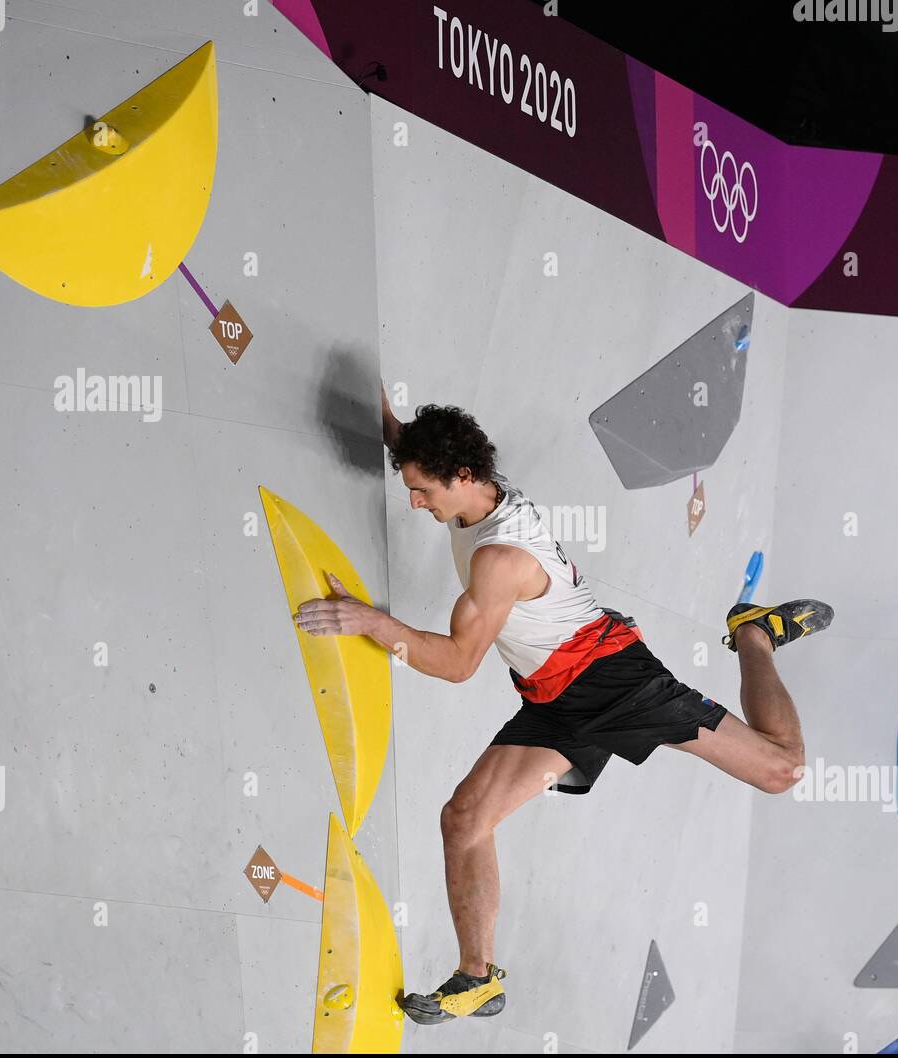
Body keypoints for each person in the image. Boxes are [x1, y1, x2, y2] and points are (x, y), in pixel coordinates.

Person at [293, 387, 833, 1025]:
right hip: (554, 698)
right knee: (464, 819)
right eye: (411, 486)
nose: (414, 502)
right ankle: (478, 980)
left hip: (618, 684)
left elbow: (460, 664)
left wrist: (370, 623)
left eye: (422, 492)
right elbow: (416, 449)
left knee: (782, 771)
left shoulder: (499, 559)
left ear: (463, 478)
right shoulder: (470, 487)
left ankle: (754, 632)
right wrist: (390, 419)